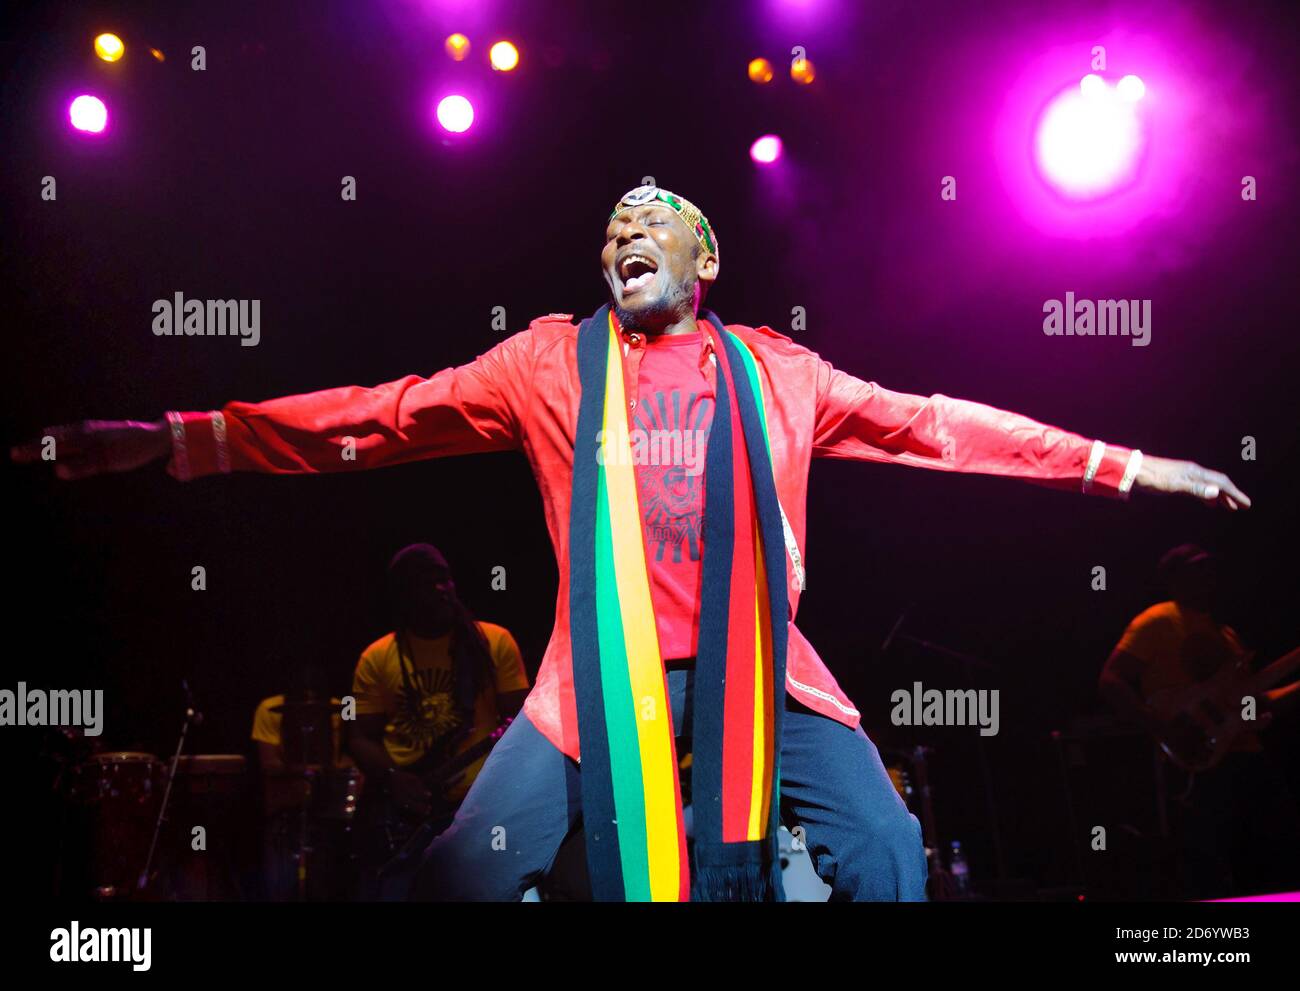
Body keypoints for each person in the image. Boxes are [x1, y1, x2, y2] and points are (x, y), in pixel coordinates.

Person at [13, 184, 1251, 901]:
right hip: (589, 690)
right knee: (465, 875)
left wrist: (1128, 466)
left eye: (651, 222)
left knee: (882, 846)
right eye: (611, 227)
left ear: (705, 260)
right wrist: (178, 439)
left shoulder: (782, 371)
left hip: (762, 678)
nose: (623, 236)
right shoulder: (547, 363)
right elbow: (375, 420)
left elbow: (940, 429)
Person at [1100, 545, 1300, 897]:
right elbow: (1111, 680)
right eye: (1195, 570)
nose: (1207, 577)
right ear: (1173, 580)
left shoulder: (1228, 636)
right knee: (1210, 861)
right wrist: (1161, 727)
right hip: (1198, 760)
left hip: (1246, 753)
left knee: (1276, 851)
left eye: (1210, 570)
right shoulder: (1158, 620)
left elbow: (1253, 704)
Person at [347, 543, 527, 895]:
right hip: (408, 817)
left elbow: (522, 721)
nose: (440, 589)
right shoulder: (375, 657)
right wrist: (394, 779)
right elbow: (358, 737)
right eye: (424, 582)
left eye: (443, 579)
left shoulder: (494, 642)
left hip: (482, 808)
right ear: (402, 594)